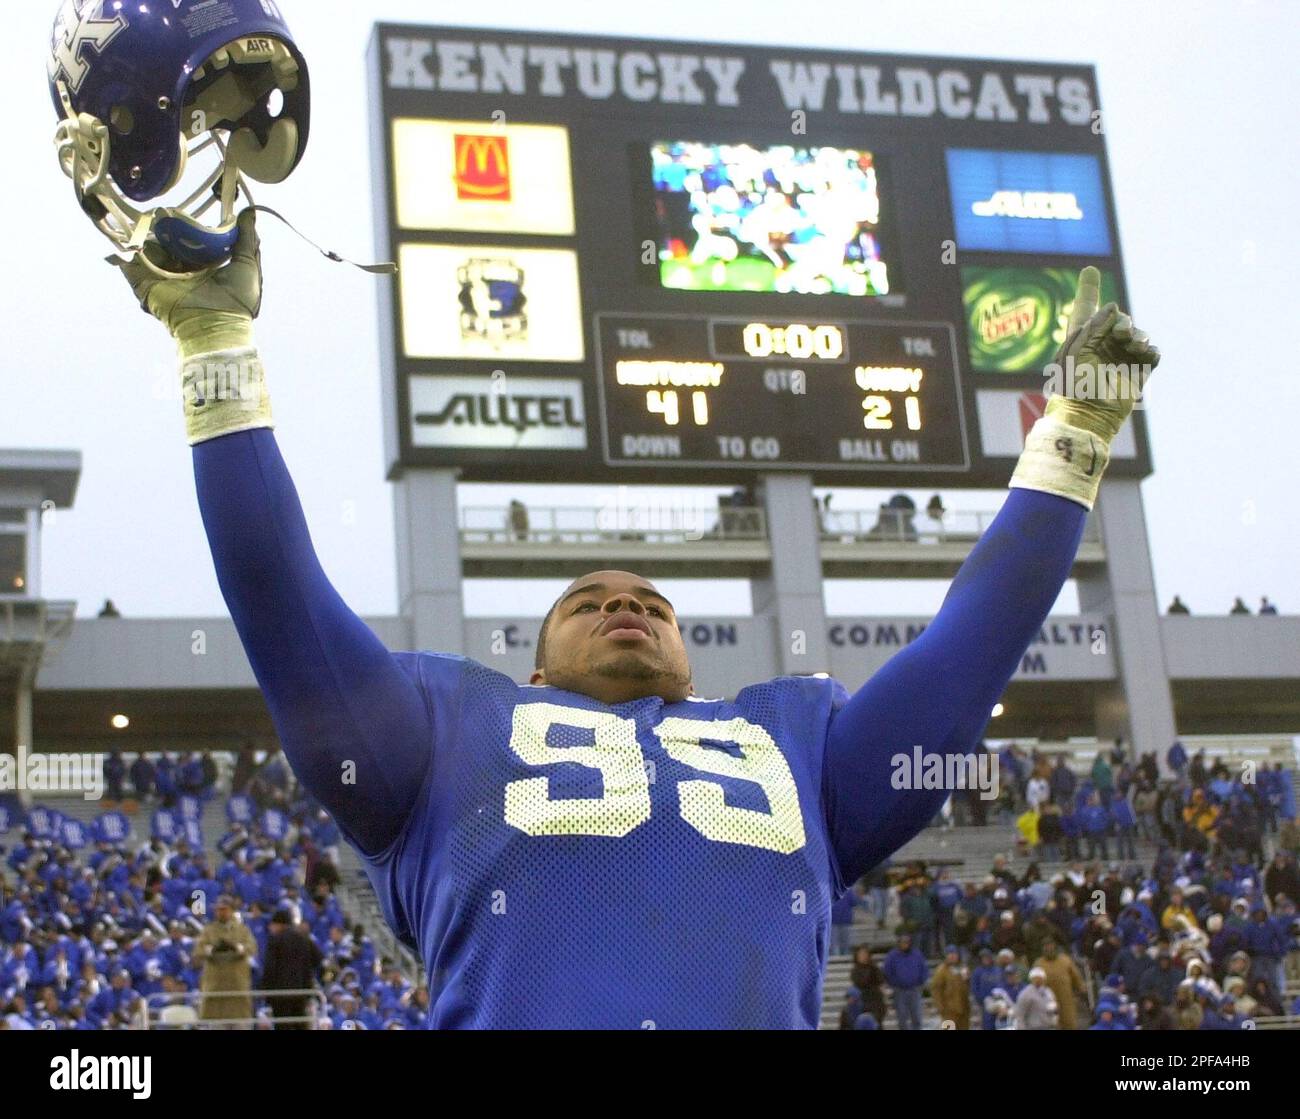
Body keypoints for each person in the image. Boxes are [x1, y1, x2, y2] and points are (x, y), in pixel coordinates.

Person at [116, 214, 1158, 1028]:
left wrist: (1073, 428)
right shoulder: (437, 737)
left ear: (688, 657)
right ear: (531, 673)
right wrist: (214, 342)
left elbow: (969, 646)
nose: (626, 604)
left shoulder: (800, 743)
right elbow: (278, 596)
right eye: (590, 601)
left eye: (652, 604)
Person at [195, 896, 258, 1028]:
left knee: (240, 1023)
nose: (221, 913)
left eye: (224, 909)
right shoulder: (208, 930)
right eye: (218, 910)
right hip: (215, 986)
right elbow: (198, 950)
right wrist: (212, 949)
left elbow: (252, 947)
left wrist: (237, 948)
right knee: (217, 1024)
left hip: (237, 984)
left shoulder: (242, 930)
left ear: (231, 910)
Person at [261, 910, 323, 1030]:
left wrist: (266, 991)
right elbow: (318, 959)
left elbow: (270, 968)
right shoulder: (304, 939)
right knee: (300, 1024)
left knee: (283, 1025)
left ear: (279, 924)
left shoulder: (275, 940)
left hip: (280, 995)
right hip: (301, 992)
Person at [1034, 939, 1085, 1031]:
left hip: (1066, 998)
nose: (1049, 948)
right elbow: (1034, 982)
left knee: (1070, 1023)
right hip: (1048, 1000)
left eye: (1050, 945)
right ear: (1043, 949)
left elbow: (1076, 976)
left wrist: (1081, 987)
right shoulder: (1039, 963)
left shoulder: (1065, 959)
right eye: (1046, 946)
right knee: (1052, 1024)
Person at [882, 933, 928, 1031]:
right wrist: (895, 982)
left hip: (914, 990)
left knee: (916, 1016)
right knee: (902, 1017)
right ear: (899, 943)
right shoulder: (892, 956)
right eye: (902, 942)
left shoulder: (917, 954)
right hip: (899, 991)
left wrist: (921, 981)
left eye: (907, 942)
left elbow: (924, 969)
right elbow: (887, 971)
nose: (905, 944)